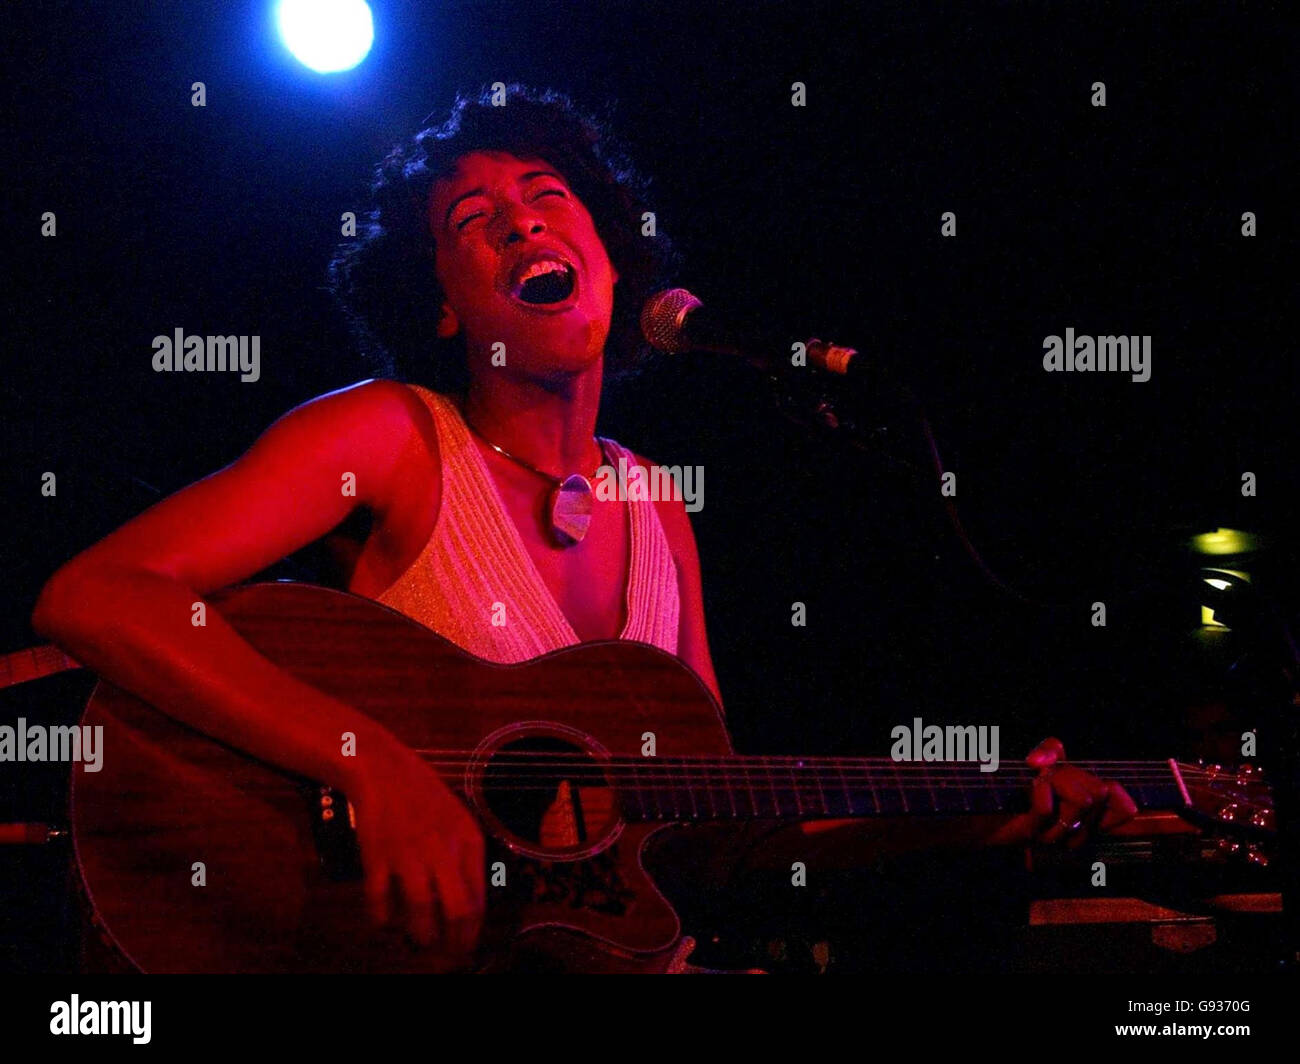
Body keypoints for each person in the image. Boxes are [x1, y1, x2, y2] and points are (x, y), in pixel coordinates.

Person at [31, 84, 1135, 970]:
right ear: (445, 305)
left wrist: (979, 813)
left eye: (548, 195)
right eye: (475, 221)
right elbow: (98, 592)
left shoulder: (656, 501)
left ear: (610, 256)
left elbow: (713, 833)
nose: (521, 219)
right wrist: (371, 762)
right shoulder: (392, 437)